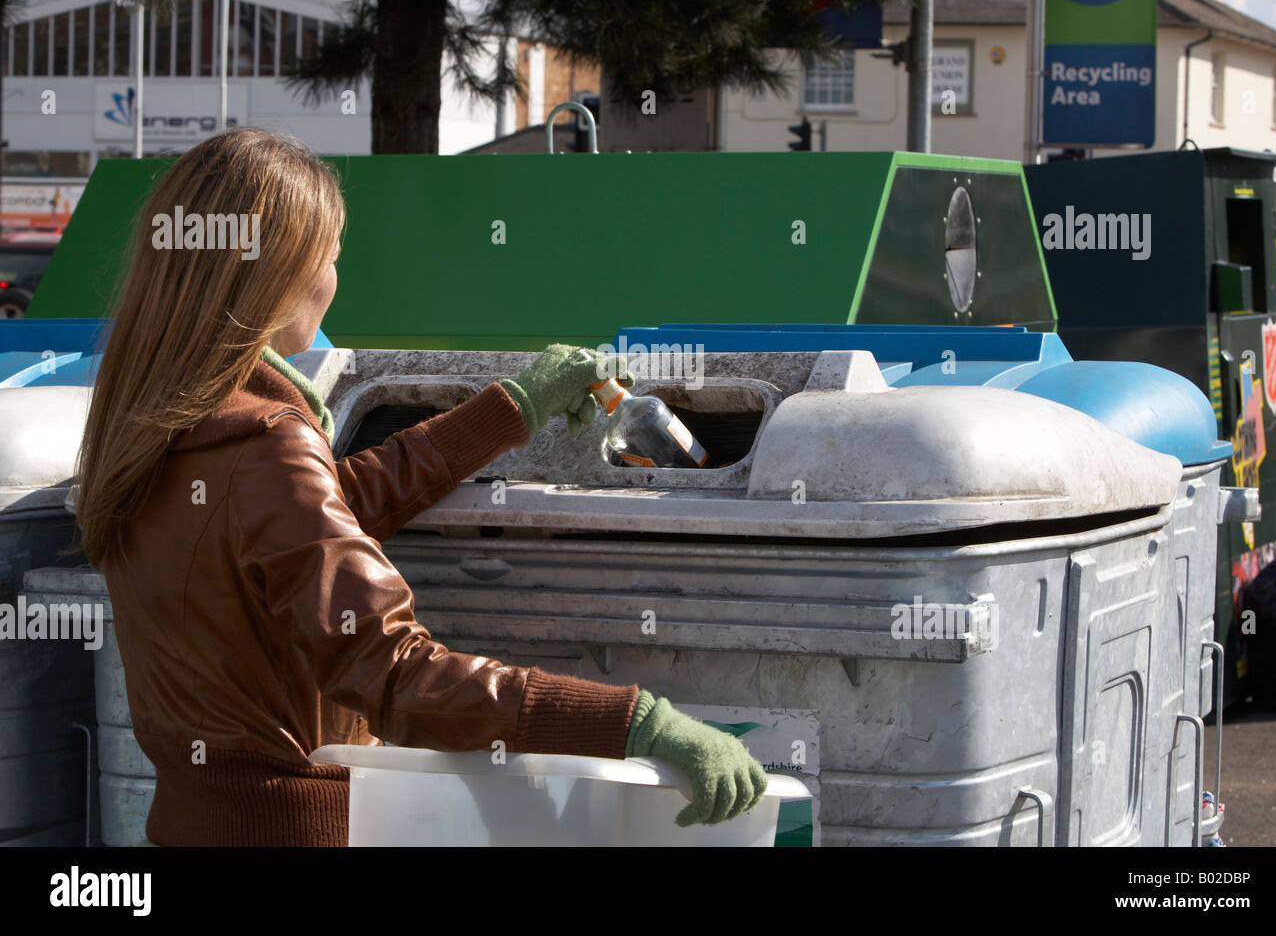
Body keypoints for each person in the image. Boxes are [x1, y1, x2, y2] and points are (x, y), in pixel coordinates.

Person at [73, 127, 766, 846]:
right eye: (330, 259)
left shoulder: (155, 424)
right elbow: (397, 676)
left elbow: (316, 516)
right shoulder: (262, 441)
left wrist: (512, 408)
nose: (334, 279)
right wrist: (634, 723)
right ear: (275, 272)